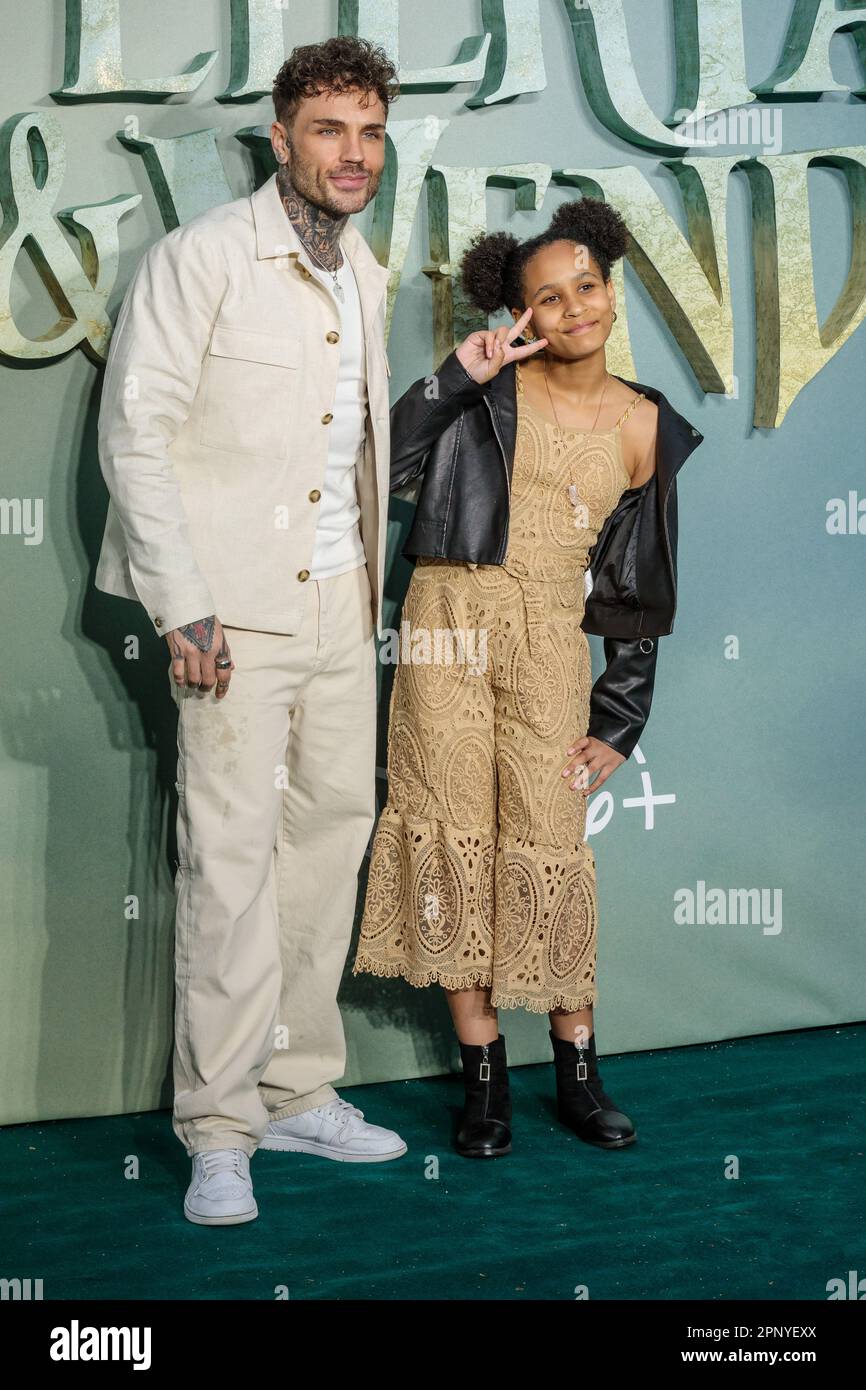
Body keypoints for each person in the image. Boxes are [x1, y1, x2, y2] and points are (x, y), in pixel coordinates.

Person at [94, 36, 408, 1226]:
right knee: (227, 867)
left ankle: (293, 1088)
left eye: (369, 132)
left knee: (328, 842)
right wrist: (182, 601)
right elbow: (137, 435)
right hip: (228, 611)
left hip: (339, 605)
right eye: (329, 129)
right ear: (279, 137)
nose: (352, 153)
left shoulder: (364, 271)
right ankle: (218, 1128)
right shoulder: (203, 259)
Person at [352, 198, 704, 1158]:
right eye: (548, 299)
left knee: (551, 844)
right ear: (522, 315)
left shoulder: (645, 425)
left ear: (609, 286)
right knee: (456, 826)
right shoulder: (485, 393)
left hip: (550, 638)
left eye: (586, 286)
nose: (574, 309)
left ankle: (579, 1076)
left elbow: (638, 589)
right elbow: (378, 472)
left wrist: (620, 720)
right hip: (447, 625)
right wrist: (457, 378)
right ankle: (483, 1082)